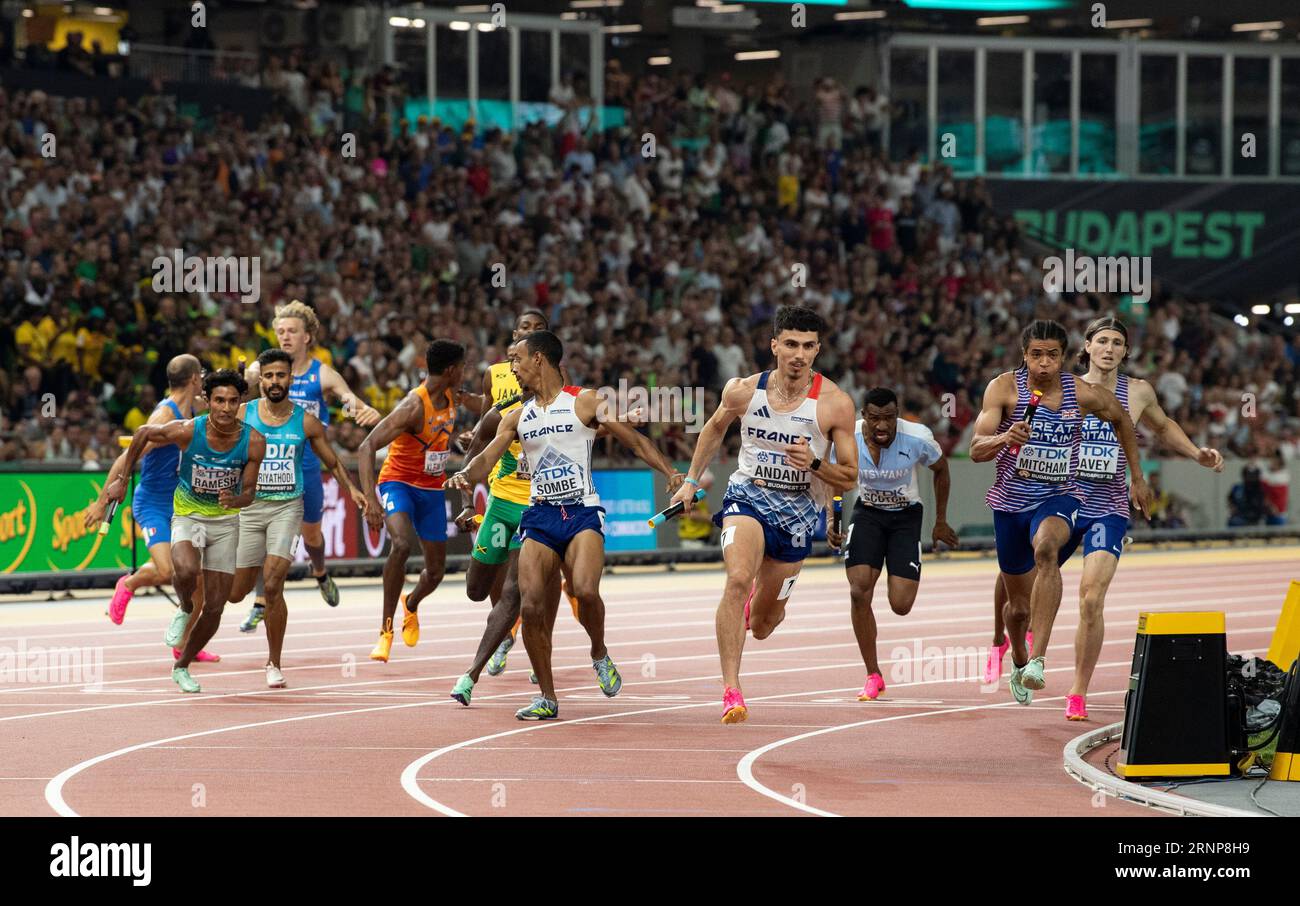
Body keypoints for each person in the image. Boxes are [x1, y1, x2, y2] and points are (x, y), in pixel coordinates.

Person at [983, 317, 1223, 719]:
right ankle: (1004, 639)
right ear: (1087, 347)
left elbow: (1162, 428)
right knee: (1017, 592)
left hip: (1105, 506)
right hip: (1060, 492)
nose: (1110, 349)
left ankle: (1077, 691)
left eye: (1118, 343)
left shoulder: (1138, 391)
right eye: (1102, 341)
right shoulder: (1064, 384)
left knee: (1091, 598)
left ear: (1126, 351)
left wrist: (1193, 454)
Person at [449, 330, 684, 720]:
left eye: (519, 360)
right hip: (539, 516)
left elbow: (634, 441)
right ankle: (547, 697)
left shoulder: (586, 401)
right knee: (532, 605)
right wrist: (465, 475)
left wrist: (670, 473)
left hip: (581, 512)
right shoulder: (517, 416)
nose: (514, 369)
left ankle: (599, 651)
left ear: (539, 359)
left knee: (585, 590)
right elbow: (486, 457)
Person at [668, 305, 858, 724]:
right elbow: (715, 428)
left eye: (808, 346)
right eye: (790, 344)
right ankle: (731, 690)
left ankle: (762, 600)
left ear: (818, 350)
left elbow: (848, 476)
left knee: (765, 625)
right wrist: (691, 481)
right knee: (737, 579)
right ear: (774, 346)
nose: (799, 354)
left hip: (798, 515)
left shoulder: (835, 404)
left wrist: (813, 464)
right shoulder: (742, 391)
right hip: (748, 497)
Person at [970, 320, 1151, 707]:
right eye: (1037, 355)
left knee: (1048, 550)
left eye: (1053, 355)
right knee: (1017, 609)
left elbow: (1123, 421)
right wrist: (1005, 437)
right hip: (1010, 503)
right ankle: (1018, 655)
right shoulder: (1003, 389)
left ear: (1064, 357)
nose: (1045, 363)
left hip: (1059, 496)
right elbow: (975, 448)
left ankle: (1038, 660)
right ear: (1025, 355)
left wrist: (1137, 476)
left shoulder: (1082, 393)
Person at [100, 370, 265, 693]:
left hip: (225, 521)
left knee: (217, 606)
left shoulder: (253, 441)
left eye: (233, 401)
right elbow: (144, 433)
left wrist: (237, 499)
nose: (226, 408)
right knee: (185, 569)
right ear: (208, 401)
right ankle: (185, 608)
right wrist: (121, 480)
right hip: (188, 514)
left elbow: (250, 493)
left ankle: (182, 665)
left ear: (240, 402)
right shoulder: (189, 430)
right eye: (219, 400)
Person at [226, 350, 370, 688]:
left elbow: (333, 462)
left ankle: (273, 663)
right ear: (259, 380)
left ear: (291, 378)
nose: (275, 382)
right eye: (269, 376)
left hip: (286, 508)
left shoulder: (305, 420)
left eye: (281, 376)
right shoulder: (244, 414)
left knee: (274, 583)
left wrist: (353, 490)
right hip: (249, 508)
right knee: (236, 593)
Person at [238, 301, 381, 630]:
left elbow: (346, 397)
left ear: (308, 337)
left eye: (292, 332)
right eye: (280, 332)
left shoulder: (322, 373)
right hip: (266, 466)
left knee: (312, 536)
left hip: (306, 468)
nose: (285, 337)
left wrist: (360, 408)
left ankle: (320, 573)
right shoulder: (265, 370)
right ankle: (260, 601)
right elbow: (239, 392)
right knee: (263, 537)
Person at [825, 387, 959, 701]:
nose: (882, 426)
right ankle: (873, 674)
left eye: (889, 418)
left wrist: (940, 520)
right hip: (868, 513)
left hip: (905, 517)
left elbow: (941, 469)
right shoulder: (849, 437)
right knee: (859, 590)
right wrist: (834, 520)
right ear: (864, 417)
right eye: (875, 419)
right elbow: (835, 479)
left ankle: (897, 568)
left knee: (901, 605)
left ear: (897, 415)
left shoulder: (917, 437)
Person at [83, 354, 219, 662]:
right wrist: (102, 500)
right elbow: (125, 458)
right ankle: (128, 583)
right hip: (154, 503)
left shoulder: (194, 408)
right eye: (203, 375)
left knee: (197, 583)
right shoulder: (163, 416)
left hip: (181, 504)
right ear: (195, 378)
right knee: (167, 570)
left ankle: (185, 644)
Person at [358, 340, 464, 663]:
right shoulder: (412, 406)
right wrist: (370, 502)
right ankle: (385, 631)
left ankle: (411, 604)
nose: (465, 372)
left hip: (432, 488)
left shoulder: (452, 396)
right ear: (450, 371)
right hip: (398, 482)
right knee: (401, 545)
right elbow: (366, 446)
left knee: (435, 572)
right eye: (462, 367)